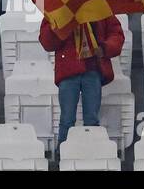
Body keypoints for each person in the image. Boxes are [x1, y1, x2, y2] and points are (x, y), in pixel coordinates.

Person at [38, 12, 125, 147]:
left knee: (90, 118)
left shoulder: (99, 7)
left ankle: (91, 151)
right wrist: (58, 24)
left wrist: (104, 48)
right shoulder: (59, 10)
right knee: (67, 119)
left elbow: (116, 35)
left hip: (91, 70)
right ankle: (64, 154)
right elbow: (47, 42)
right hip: (70, 71)